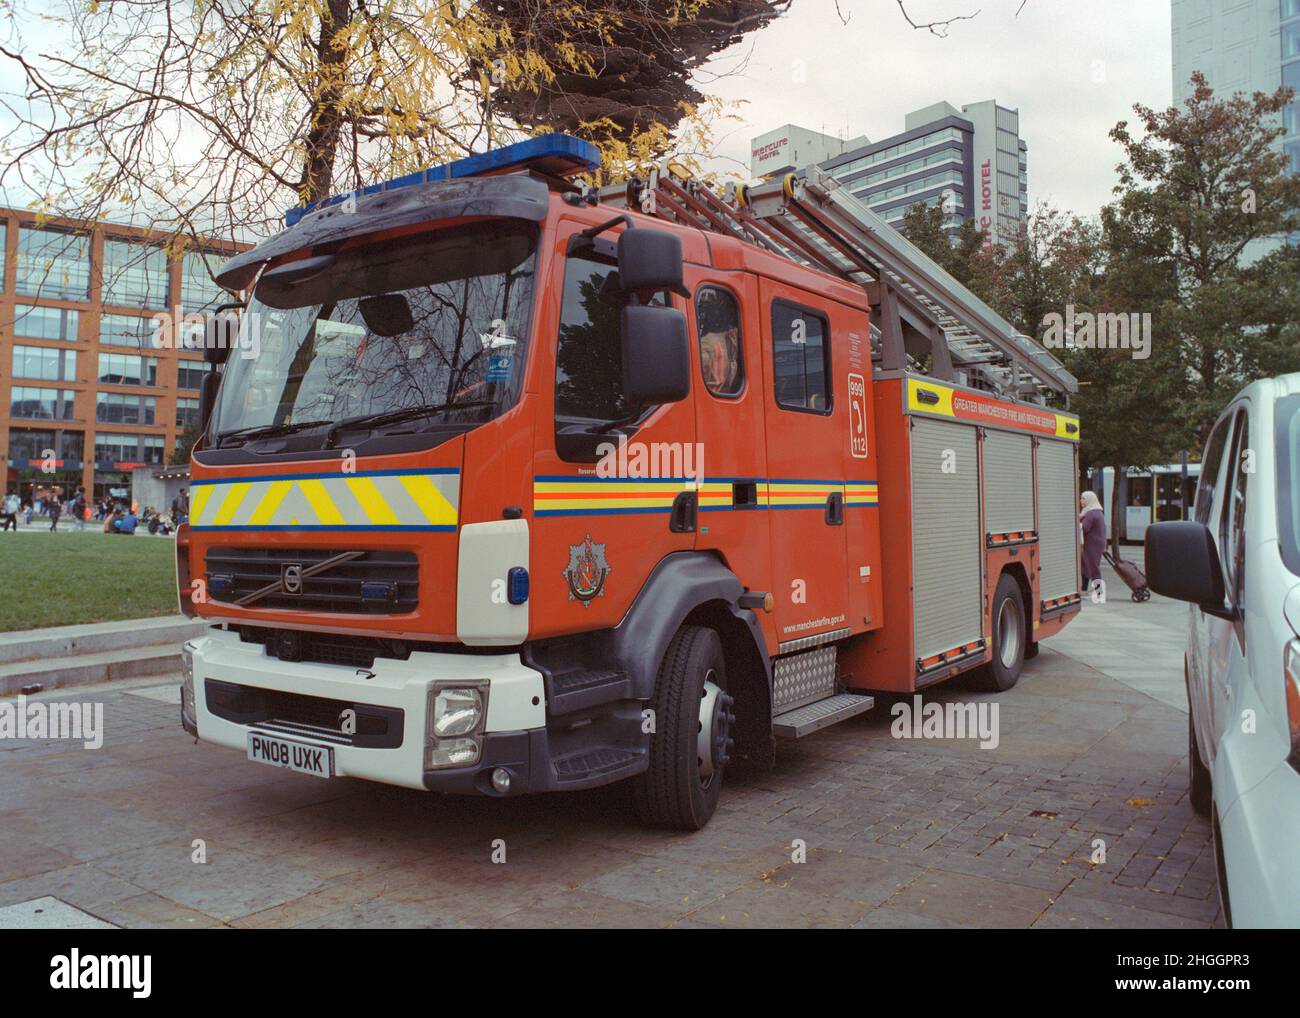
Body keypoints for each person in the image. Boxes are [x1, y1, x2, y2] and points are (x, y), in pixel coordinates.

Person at [1080, 490, 1106, 593]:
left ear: (1089, 500)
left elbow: (1085, 528)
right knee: (1085, 565)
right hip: (1097, 542)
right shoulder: (1097, 511)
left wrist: (1078, 524)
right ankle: (1084, 588)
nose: (1081, 501)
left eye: (1083, 498)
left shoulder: (1091, 513)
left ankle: (1099, 590)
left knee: (1092, 566)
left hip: (1092, 544)